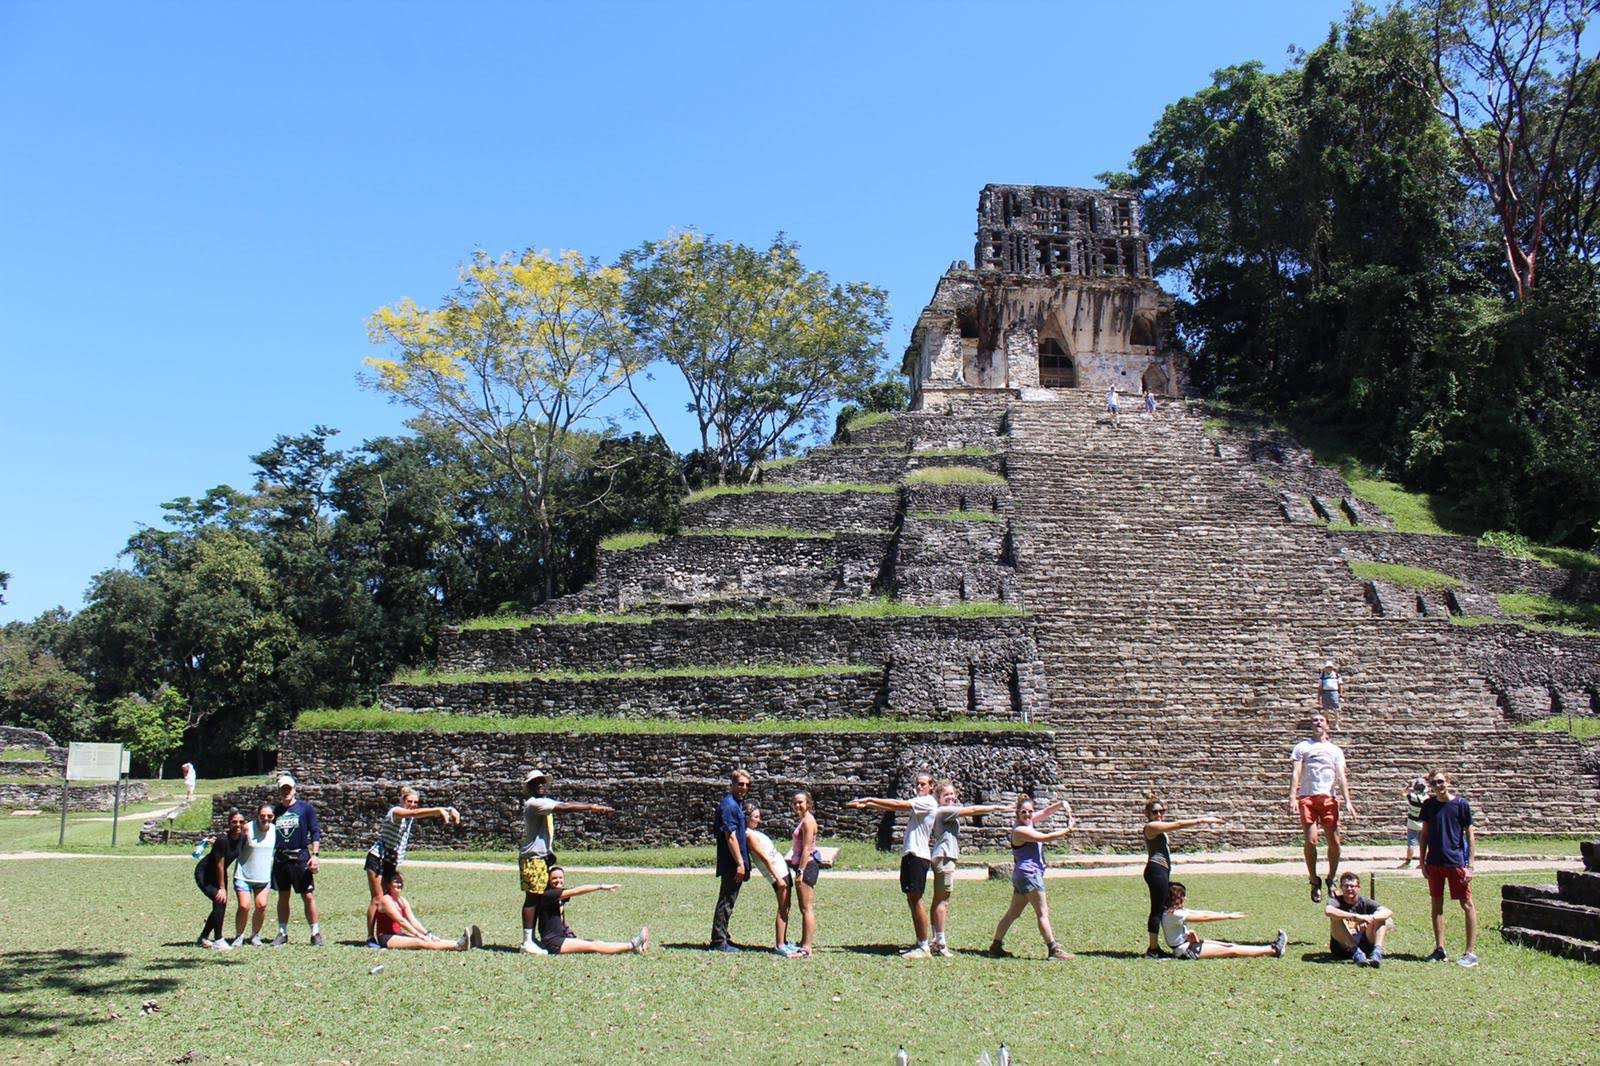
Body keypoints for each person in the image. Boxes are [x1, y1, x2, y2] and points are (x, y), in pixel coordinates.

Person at [519, 769, 614, 956]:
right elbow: (565, 807)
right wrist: (592, 807)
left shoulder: (541, 803)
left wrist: (549, 852)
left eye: (542, 782)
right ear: (529, 787)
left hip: (540, 857)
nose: (540, 785)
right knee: (532, 898)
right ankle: (527, 941)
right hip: (532, 858)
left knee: (539, 898)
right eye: (535, 782)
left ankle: (532, 940)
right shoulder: (536, 803)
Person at [846, 770, 938, 958]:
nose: (919, 787)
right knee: (911, 899)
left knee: (917, 899)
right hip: (911, 855)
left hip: (918, 856)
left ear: (931, 787)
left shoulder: (927, 802)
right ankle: (919, 942)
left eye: (923, 784)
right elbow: (893, 807)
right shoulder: (919, 803)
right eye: (918, 784)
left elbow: (897, 804)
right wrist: (869, 804)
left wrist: (870, 800)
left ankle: (924, 947)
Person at [365, 786, 461, 948]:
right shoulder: (395, 812)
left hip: (391, 861)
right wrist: (438, 810)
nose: (412, 805)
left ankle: (390, 931)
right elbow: (415, 814)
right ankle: (370, 937)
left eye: (415, 802)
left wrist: (448, 809)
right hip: (377, 858)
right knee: (377, 899)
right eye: (409, 801)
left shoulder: (409, 816)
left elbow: (416, 813)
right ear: (402, 801)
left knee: (390, 897)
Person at [988, 794, 1077, 960]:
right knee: (1043, 912)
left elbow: (1044, 813)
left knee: (1013, 913)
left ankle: (995, 946)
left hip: (1022, 875)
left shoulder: (1027, 823)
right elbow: (1045, 837)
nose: (1028, 815)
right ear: (1017, 813)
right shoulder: (1020, 830)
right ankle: (1053, 950)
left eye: (1030, 811)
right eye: (1024, 812)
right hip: (1030, 875)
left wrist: (1060, 804)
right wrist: (1068, 830)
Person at [926, 781, 1007, 957]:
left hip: (943, 856)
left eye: (951, 794)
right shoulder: (944, 811)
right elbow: (970, 811)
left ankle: (936, 939)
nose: (950, 798)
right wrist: (995, 808)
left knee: (939, 900)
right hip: (944, 857)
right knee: (943, 901)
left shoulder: (946, 811)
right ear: (938, 798)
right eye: (945, 795)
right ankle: (940, 942)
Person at [1140, 795, 1224, 957]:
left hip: (1161, 870)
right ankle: (1153, 949)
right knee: (1157, 910)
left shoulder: (1159, 826)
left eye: (1162, 812)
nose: (1159, 815)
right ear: (1148, 813)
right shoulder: (1151, 826)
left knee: (1165, 905)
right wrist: (1203, 820)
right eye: (1155, 812)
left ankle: (1171, 940)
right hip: (1156, 870)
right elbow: (1178, 825)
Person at [1289, 713, 1357, 902]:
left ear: (1328, 726)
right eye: (1314, 721)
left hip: (1328, 798)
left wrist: (1348, 801)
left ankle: (1331, 878)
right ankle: (1313, 879)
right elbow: (1296, 773)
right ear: (1311, 726)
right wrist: (1292, 796)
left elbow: (1341, 776)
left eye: (1321, 720)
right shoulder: (1302, 747)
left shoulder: (1335, 750)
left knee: (1334, 842)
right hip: (1308, 798)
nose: (1317, 723)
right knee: (1311, 841)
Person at [1418, 769, 1478, 967]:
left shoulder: (1461, 805)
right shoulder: (1428, 805)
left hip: (1456, 862)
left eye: (1441, 782)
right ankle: (1439, 948)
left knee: (1466, 904)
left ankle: (1470, 952)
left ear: (1448, 782)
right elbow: (1424, 834)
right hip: (1434, 861)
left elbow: (1470, 835)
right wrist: (1422, 860)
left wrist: (1470, 864)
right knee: (1436, 904)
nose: (1438, 786)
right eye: (1434, 783)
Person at [534, 866, 648, 955]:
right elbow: (577, 891)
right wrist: (601, 886)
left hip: (560, 937)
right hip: (554, 942)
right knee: (595, 945)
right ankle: (633, 944)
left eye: (560, 878)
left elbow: (559, 916)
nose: (558, 880)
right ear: (548, 880)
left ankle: (635, 947)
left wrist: (566, 928)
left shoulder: (558, 895)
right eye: (554, 878)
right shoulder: (549, 895)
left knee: (596, 943)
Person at [1159, 882, 1287, 959]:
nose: (1185, 898)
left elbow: (1201, 912)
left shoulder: (1173, 912)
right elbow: (1204, 918)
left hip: (1186, 947)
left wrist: (1224, 913)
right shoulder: (1174, 914)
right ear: (1176, 898)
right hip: (1185, 950)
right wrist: (1228, 917)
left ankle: (1272, 948)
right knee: (1231, 950)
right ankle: (1274, 950)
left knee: (1229, 946)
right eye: (1182, 896)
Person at [270, 773, 323, 947]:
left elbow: (315, 832)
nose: (286, 792)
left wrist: (315, 855)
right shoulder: (275, 811)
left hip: (300, 857)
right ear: (279, 791)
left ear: (294, 789)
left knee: (307, 896)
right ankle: (282, 933)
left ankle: (315, 933)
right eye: (283, 789)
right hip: (282, 858)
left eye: (288, 788)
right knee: (283, 896)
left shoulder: (305, 808)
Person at [374, 872, 479, 952]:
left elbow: (413, 920)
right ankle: (458, 945)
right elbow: (401, 921)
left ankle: (465, 943)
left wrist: (427, 934)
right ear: (388, 884)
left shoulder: (402, 900)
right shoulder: (386, 900)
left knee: (430, 939)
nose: (400, 884)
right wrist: (418, 935)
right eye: (396, 881)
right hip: (387, 937)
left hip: (398, 934)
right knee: (420, 942)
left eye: (401, 881)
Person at [743, 802, 794, 956]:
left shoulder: (754, 832)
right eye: (755, 817)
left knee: (787, 907)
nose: (758, 820)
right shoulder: (749, 835)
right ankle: (779, 945)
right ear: (747, 818)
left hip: (781, 869)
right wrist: (777, 877)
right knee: (783, 908)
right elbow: (764, 858)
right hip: (776, 872)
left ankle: (784, 941)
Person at [710, 769, 753, 952]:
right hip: (732, 863)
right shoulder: (729, 806)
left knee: (729, 900)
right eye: (740, 784)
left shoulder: (736, 804)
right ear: (733, 784)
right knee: (726, 901)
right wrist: (740, 863)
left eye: (747, 785)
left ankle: (724, 937)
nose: (744, 788)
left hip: (735, 861)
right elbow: (730, 836)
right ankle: (719, 942)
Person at [195, 807, 244, 949]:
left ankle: (204, 937)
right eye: (234, 822)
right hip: (205, 874)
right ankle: (218, 939)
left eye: (241, 822)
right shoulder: (223, 840)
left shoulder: (242, 838)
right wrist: (222, 888)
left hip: (220, 876)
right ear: (229, 823)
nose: (238, 825)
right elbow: (219, 865)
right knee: (219, 902)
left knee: (220, 904)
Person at [231, 803, 277, 947]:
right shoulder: (247, 827)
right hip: (243, 875)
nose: (265, 818)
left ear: (273, 817)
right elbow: (233, 842)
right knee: (244, 906)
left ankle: (255, 936)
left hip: (263, 877)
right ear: (257, 815)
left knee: (261, 905)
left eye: (269, 816)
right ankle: (239, 936)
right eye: (262, 815)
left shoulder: (275, 830)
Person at [1325, 871, 1394, 967]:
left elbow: (1388, 912)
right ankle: (1356, 953)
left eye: (1352, 886)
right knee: (1335, 919)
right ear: (1341, 887)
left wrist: (1370, 918)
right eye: (1346, 886)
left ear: (1358, 887)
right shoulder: (1336, 901)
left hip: (1366, 945)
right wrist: (1356, 917)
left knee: (1384, 919)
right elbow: (1328, 911)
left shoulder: (1365, 902)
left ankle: (1376, 953)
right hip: (1343, 947)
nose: (1349, 889)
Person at [786, 790, 823, 959]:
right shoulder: (803, 820)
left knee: (807, 908)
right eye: (795, 802)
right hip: (803, 865)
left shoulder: (808, 821)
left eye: (800, 802)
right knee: (803, 907)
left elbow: (807, 848)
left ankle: (807, 947)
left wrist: (800, 871)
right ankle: (803, 942)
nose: (797, 805)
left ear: (808, 803)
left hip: (807, 866)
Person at [1400, 776, 1428, 868]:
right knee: (1423, 843)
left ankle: (1408, 862)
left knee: (1411, 843)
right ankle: (1423, 862)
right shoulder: (1427, 798)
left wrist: (1408, 786)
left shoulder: (1412, 797)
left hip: (1412, 822)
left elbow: (1403, 793)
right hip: (1423, 823)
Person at [1318, 661, 1342, 725]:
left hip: (1334, 692)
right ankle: (1326, 722)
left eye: (1330, 667)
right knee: (1325, 708)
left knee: (1336, 709)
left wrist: (1341, 694)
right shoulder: (1322, 675)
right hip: (1325, 692)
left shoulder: (1336, 675)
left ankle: (1336, 723)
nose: (1329, 669)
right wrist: (1319, 696)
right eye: (1327, 667)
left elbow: (1339, 684)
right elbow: (1320, 686)